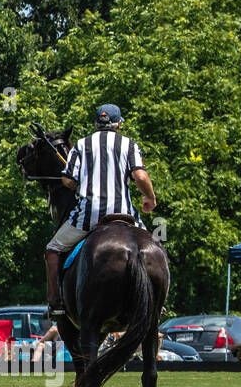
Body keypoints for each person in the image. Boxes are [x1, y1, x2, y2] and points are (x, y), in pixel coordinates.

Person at [43, 104, 157, 317]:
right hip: (125, 215)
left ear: (96, 124)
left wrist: (82, 183)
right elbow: (140, 176)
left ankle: (56, 303)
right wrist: (150, 198)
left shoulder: (81, 144)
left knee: (52, 250)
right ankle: (156, 297)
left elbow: (67, 180)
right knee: (154, 247)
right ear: (119, 124)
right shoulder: (129, 145)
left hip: (89, 217)